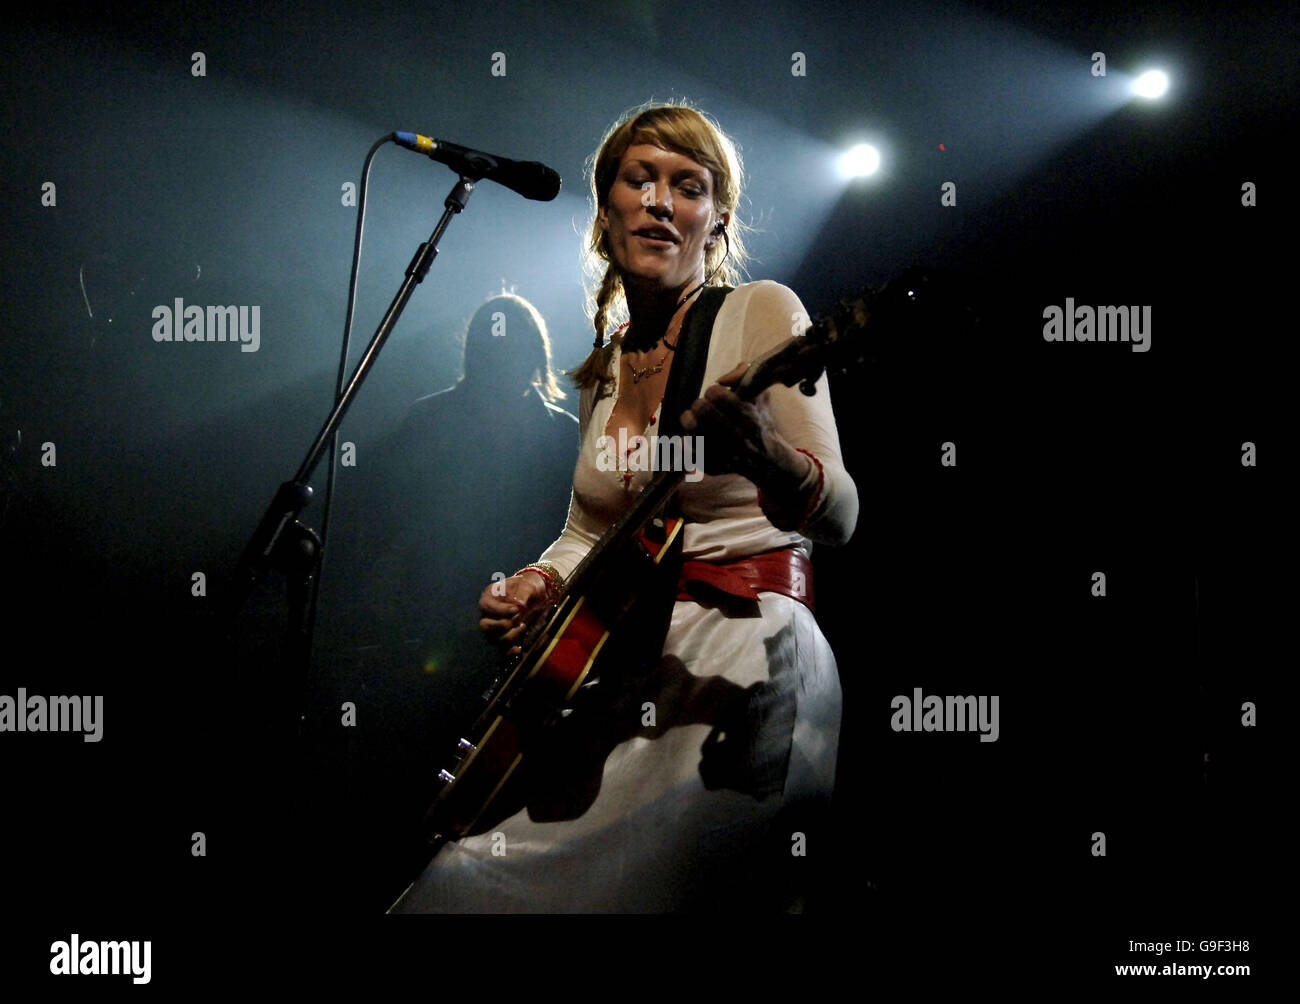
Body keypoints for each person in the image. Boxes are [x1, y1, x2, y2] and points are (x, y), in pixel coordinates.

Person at [389, 101, 858, 913]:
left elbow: (842, 514)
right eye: (639, 179)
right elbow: (589, 530)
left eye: (688, 186)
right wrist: (535, 582)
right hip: (624, 665)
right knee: (462, 880)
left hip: (745, 665)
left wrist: (762, 453)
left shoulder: (763, 312)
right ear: (605, 213)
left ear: (714, 223)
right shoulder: (603, 370)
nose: (660, 200)